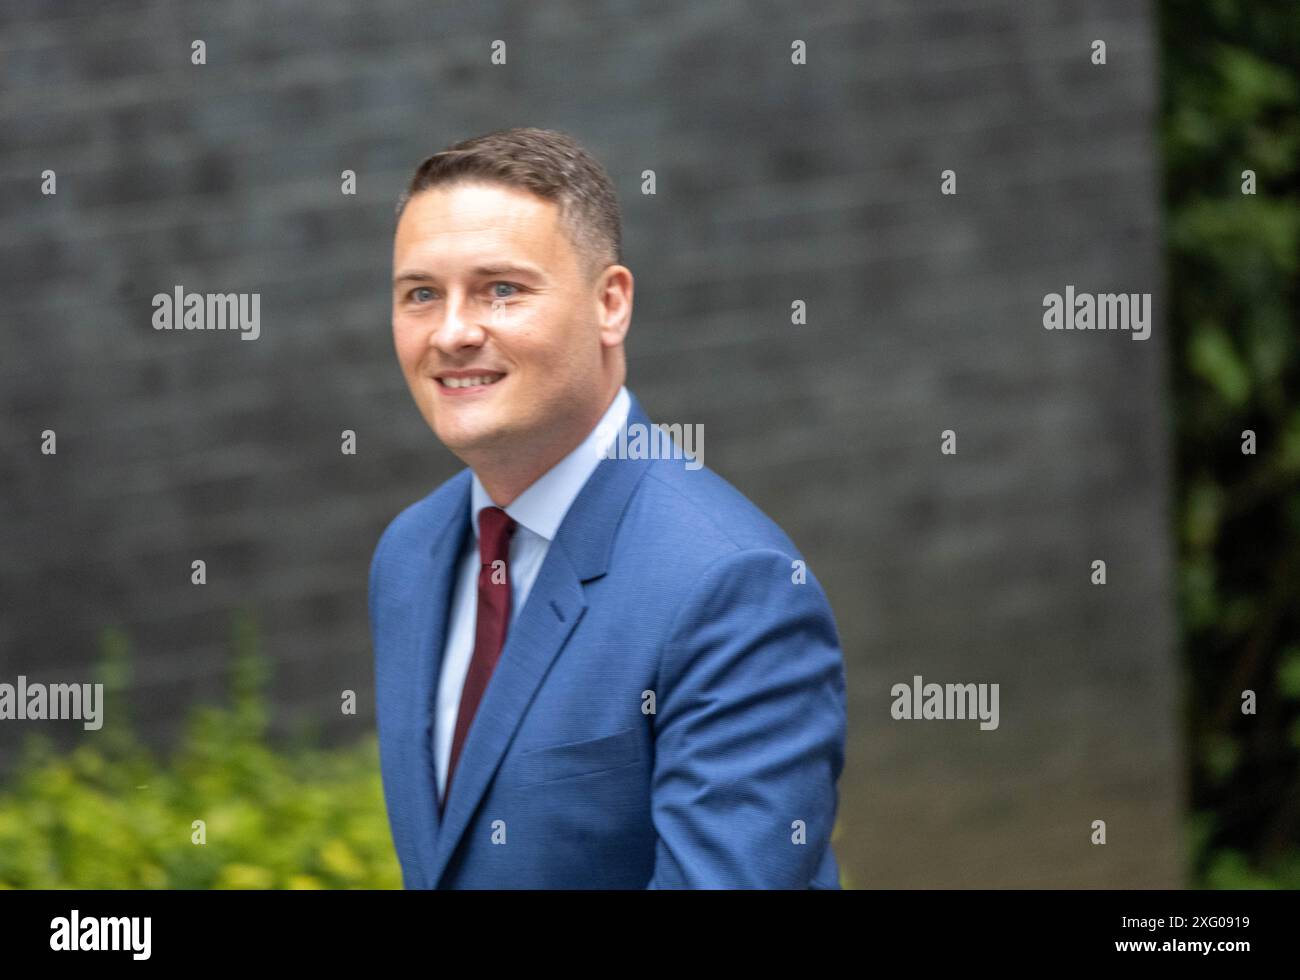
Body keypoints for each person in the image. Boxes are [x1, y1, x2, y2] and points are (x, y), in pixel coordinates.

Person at [369, 126, 846, 888]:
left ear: (611, 304)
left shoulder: (732, 588)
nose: (453, 332)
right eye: (422, 293)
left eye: (502, 289)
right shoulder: (408, 554)